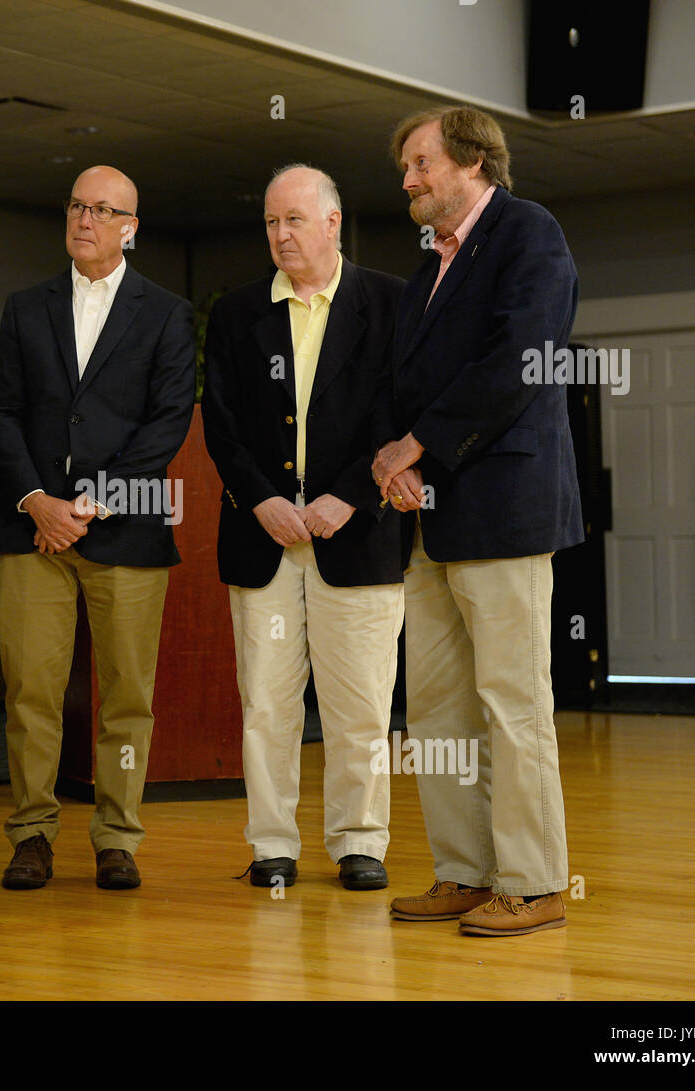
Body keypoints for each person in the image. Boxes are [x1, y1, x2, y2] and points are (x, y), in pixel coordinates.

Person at [372, 105, 581, 936]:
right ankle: (464, 871)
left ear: (472, 162)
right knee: (436, 712)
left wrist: (418, 443)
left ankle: (532, 883)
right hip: (431, 518)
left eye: (420, 163)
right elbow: (406, 379)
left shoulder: (531, 234)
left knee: (514, 702)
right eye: (405, 169)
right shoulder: (429, 267)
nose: (408, 180)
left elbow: (519, 359)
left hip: (506, 513)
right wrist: (395, 460)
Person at [0, 165, 195, 890]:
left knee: (127, 697)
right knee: (31, 693)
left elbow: (166, 422)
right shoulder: (24, 306)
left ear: (131, 228)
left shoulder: (166, 312)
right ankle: (33, 833)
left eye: (103, 211)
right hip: (32, 532)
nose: (85, 219)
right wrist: (39, 500)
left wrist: (88, 503)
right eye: (77, 205)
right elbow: (3, 412)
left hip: (124, 532)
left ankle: (117, 835)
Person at [201, 164, 405, 890]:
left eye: (293, 220)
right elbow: (221, 427)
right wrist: (260, 499)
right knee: (267, 702)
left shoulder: (389, 303)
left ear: (332, 222)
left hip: (359, 536)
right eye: (269, 223)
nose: (280, 235)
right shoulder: (236, 312)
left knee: (360, 704)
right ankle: (272, 845)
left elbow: (398, 413)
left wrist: (350, 493)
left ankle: (360, 841)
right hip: (264, 541)